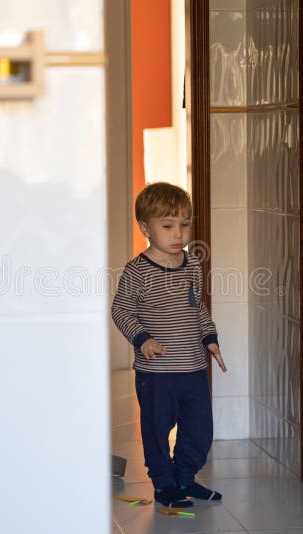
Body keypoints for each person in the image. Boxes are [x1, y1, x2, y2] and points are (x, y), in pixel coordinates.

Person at [111, 182, 227, 509]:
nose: (178, 233)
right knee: (157, 429)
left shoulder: (191, 265)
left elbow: (198, 307)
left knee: (200, 429)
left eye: (184, 225)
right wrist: (142, 338)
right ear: (145, 228)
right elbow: (121, 309)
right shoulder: (138, 271)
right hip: (156, 373)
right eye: (167, 226)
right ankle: (164, 484)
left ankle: (185, 478)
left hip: (193, 367)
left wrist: (210, 338)